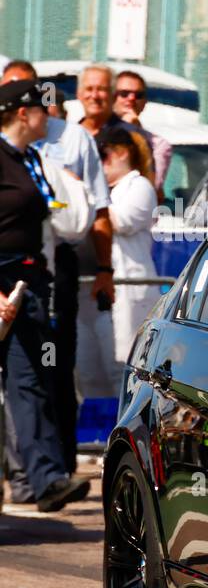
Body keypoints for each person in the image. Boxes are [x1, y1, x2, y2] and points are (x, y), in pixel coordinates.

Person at [2, 59, 113, 482]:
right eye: (37, 107)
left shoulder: (50, 150)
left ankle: (48, 475)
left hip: (40, 273)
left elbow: (80, 214)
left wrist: (104, 267)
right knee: (25, 376)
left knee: (38, 372)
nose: (45, 113)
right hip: (6, 273)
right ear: (21, 113)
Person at [95, 127, 160, 370]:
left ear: (122, 153)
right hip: (104, 285)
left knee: (128, 362)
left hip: (130, 288)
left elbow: (122, 222)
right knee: (96, 367)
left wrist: (88, 195)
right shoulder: (108, 190)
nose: (98, 163)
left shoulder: (139, 186)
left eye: (102, 156)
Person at [111, 69, 171, 194]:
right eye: (124, 93)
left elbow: (151, 187)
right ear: (112, 96)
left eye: (138, 95)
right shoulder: (95, 133)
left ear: (144, 102)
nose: (131, 98)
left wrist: (134, 133)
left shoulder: (158, 144)